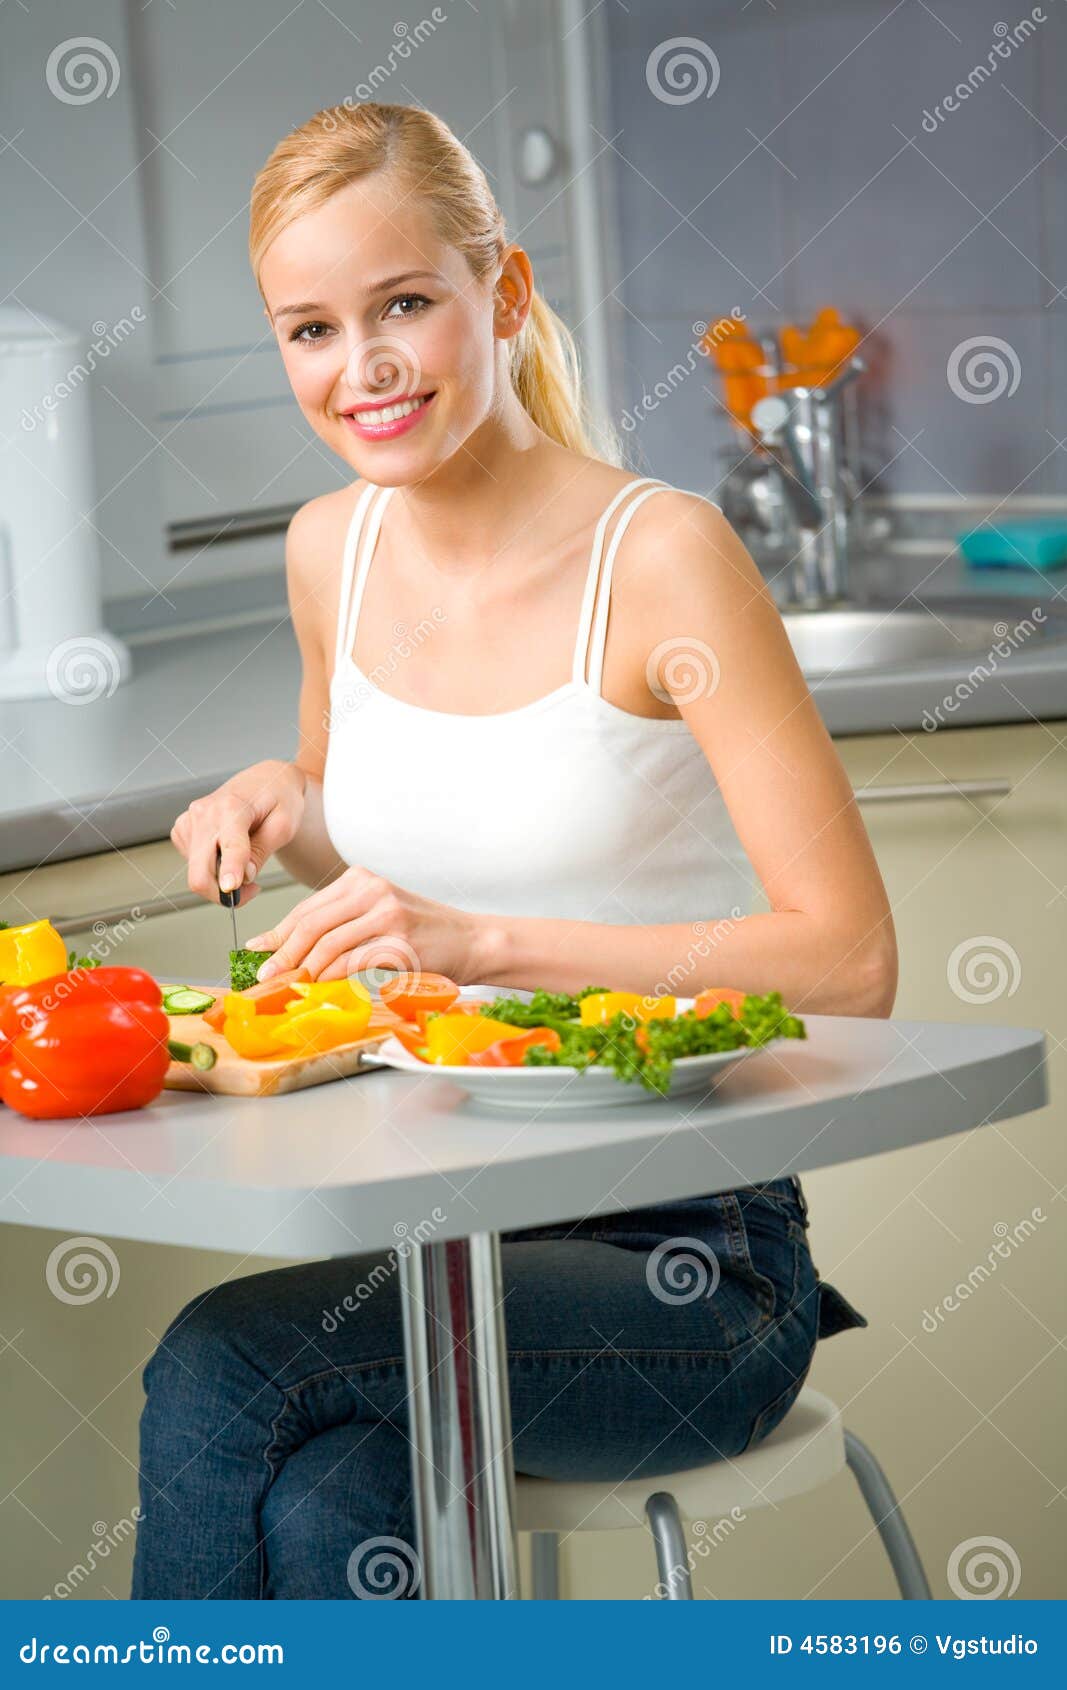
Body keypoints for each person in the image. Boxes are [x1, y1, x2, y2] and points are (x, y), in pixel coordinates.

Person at [131, 101, 890, 1600]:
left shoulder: (659, 557)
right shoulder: (327, 551)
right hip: (442, 1229)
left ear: (508, 292)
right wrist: (282, 799)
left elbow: (850, 958)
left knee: (228, 1360)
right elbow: (376, 838)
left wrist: (484, 943)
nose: (365, 370)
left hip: (692, 1262)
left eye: (404, 303)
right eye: (312, 329)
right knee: (329, 1505)